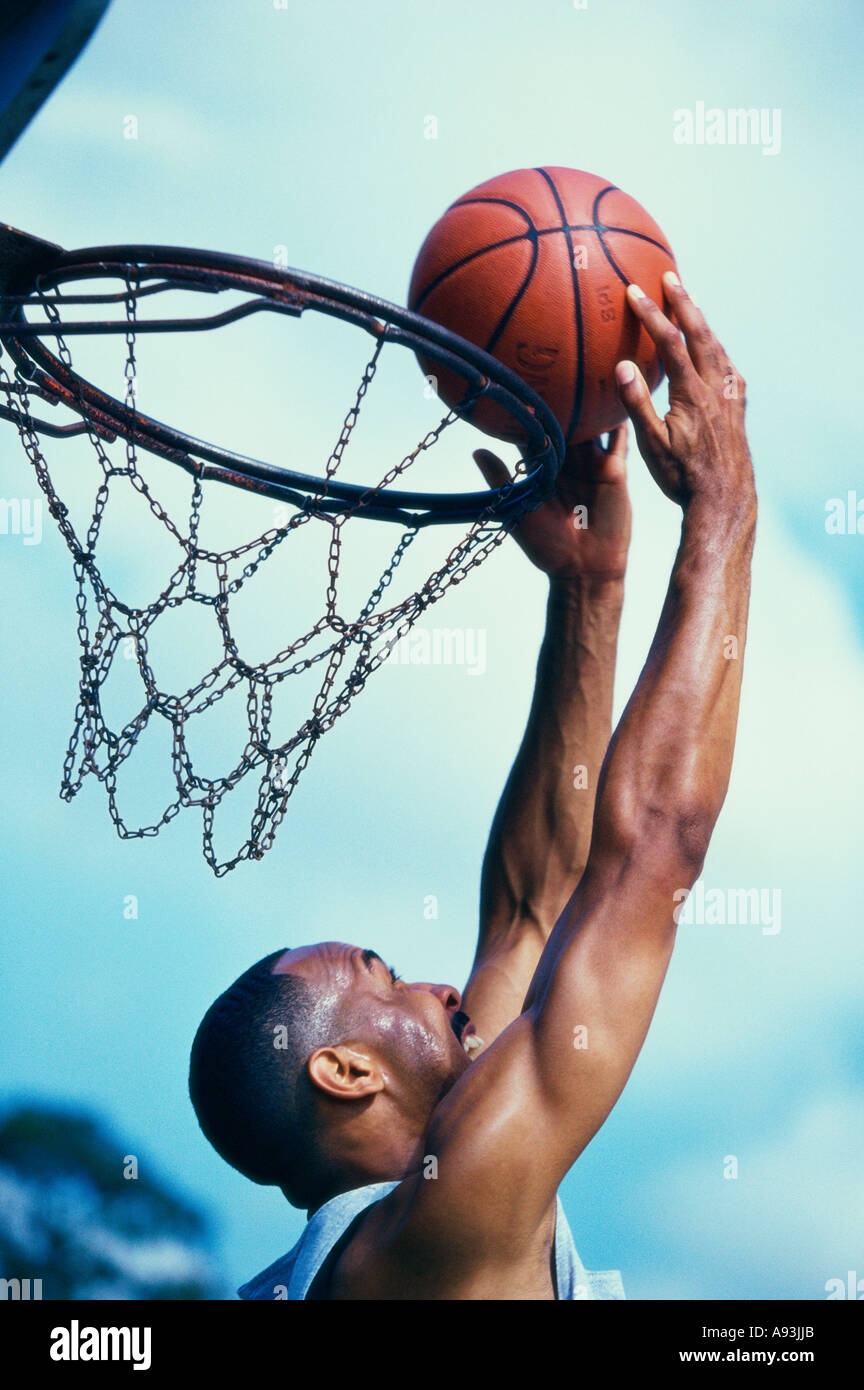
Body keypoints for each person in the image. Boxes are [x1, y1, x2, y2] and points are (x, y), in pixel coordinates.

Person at [189, 273, 756, 1300]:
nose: (439, 986)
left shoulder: (409, 1214)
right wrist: (723, 510)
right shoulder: (436, 1227)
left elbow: (534, 911)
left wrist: (590, 589)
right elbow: (654, 845)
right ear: (344, 1071)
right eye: (385, 977)